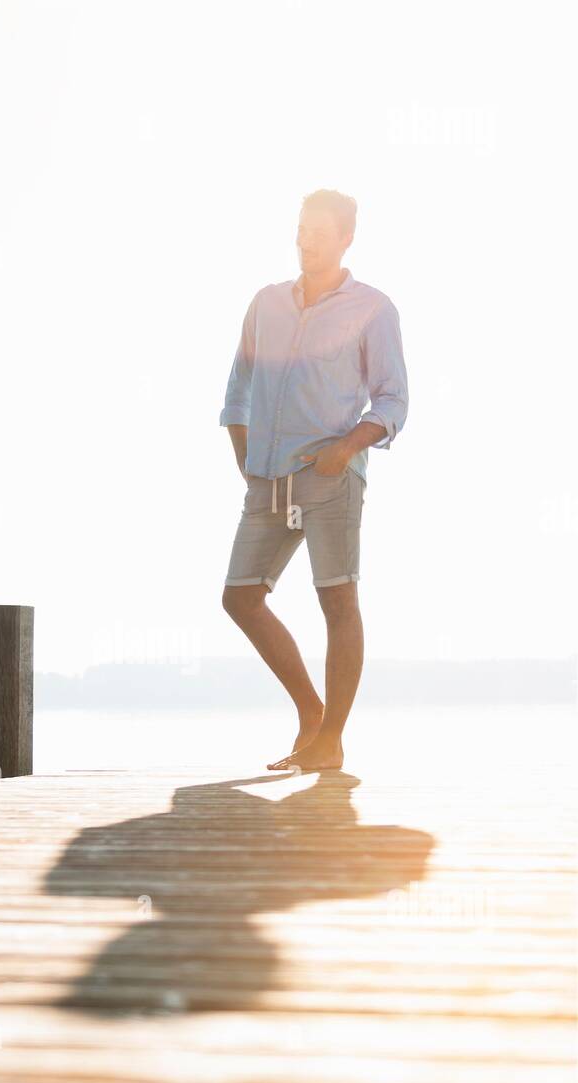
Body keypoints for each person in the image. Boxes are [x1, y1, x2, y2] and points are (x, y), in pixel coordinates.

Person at [219, 188, 409, 771]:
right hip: (267, 480)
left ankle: (330, 743)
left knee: (337, 600)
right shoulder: (266, 303)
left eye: (320, 232)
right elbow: (238, 387)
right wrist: (245, 455)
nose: (307, 240)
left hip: (331, 479)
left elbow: (393, 399)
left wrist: (346, 448)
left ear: (346, 238)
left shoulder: (373, 309)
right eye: (302, 229)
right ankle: (311, 713)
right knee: (240, 597)